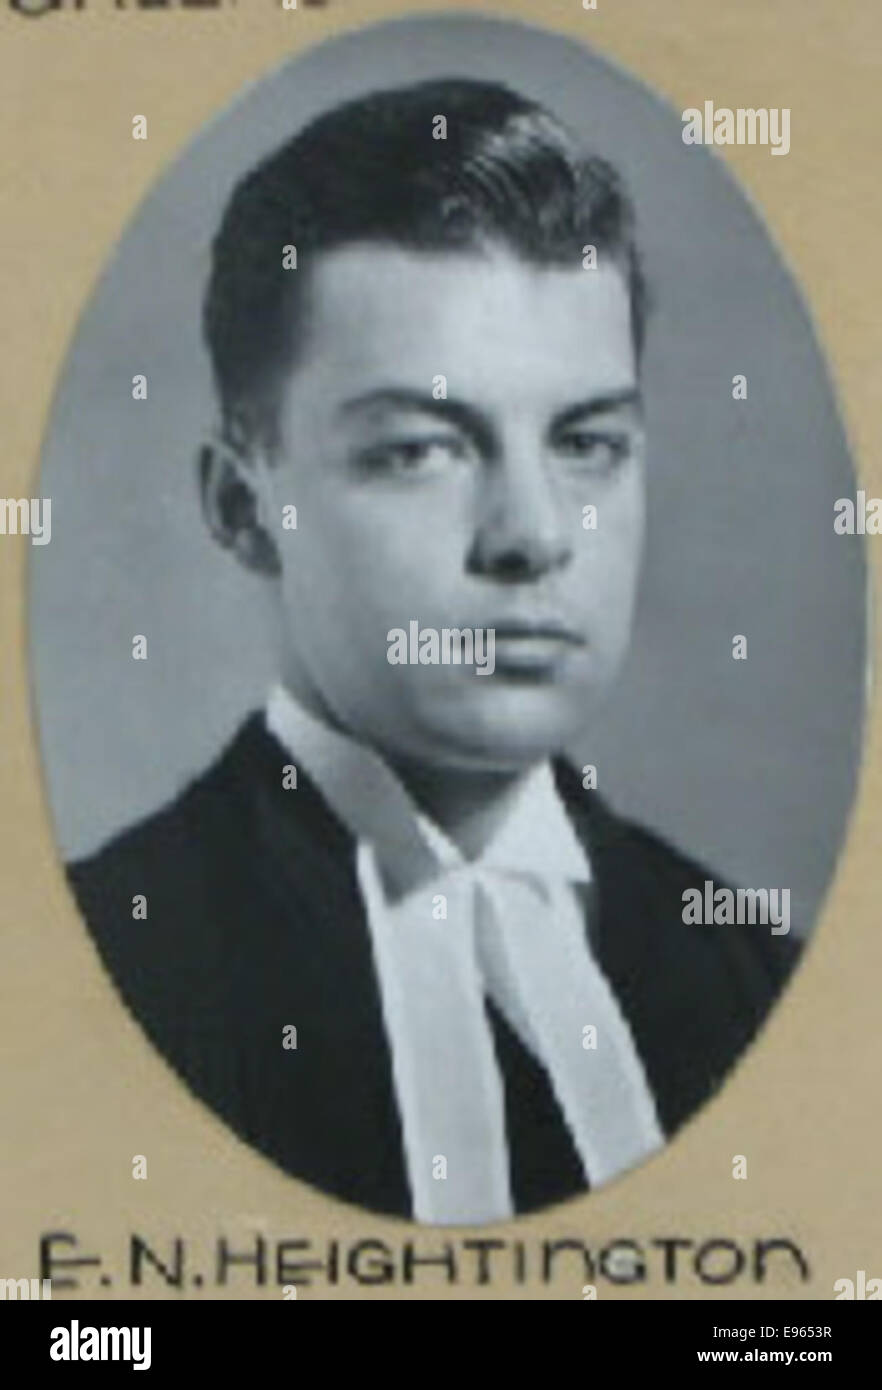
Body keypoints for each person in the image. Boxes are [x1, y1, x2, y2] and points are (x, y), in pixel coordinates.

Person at [67, 78, 800, 1223]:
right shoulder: (87, 978)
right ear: (243, 507)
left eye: (588, 443)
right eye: (419, 449)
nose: (534, 535)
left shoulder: (763, 984)